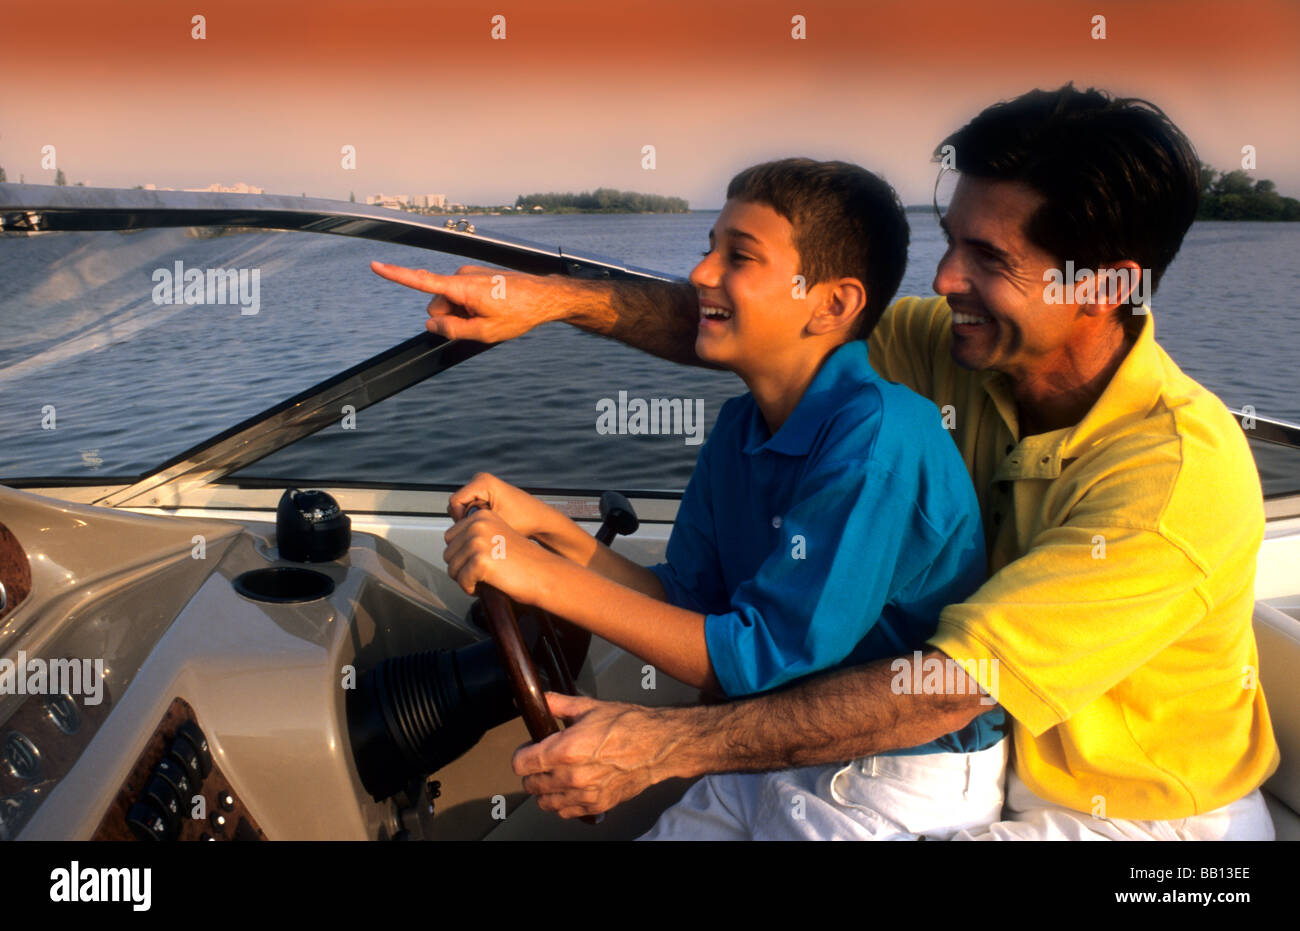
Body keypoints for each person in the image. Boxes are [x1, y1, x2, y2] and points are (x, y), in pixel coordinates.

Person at [371, 85, 1279, 840]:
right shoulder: (960, 350)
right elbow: (774, 335)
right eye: (950, 239)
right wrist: (546, 301)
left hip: (1146, 829)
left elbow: (942, 693)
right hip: (945, 770)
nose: (946, 280)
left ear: (1106, 285)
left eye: (989, 257)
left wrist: (666, 743)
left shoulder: (1176, 480)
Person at [400, 158, 1007, 840]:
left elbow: (751, 659)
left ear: (832, 304)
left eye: (739, 256)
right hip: (769, 752)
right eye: (707, 247)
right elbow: (688, 604)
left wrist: (537, 576)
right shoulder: (740, 429)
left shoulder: (881, 440)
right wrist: (552, 534)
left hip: (894, 783)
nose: (701, 273)